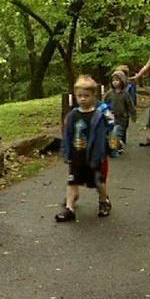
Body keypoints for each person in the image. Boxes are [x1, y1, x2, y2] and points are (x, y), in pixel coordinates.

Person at [57, 76, 115, 222]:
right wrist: (66, 152)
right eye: (79, 96)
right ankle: (69, 208)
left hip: (94, 156)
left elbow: (107, 131)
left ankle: (104, 201)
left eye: (86, 96)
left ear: (94, 96)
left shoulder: (99, 115)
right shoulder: (72, 116)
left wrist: (104, 152)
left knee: (98, 182)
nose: (82, 99)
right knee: (72, 181)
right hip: (76, 155)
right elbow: (67, 134)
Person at [103, 70, 137, 157]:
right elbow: (104, 103)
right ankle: (116, 146)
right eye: (113, 80)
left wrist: (133, 114)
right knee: (112, 133)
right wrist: (104, 111)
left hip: (122, 117)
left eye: (117, 80)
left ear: (122, 81)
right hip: (112, 117)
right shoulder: (110, 93)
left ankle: (118, 146)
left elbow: (130, 105)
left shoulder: (125, 94)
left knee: (118, 132)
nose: (115, 82)